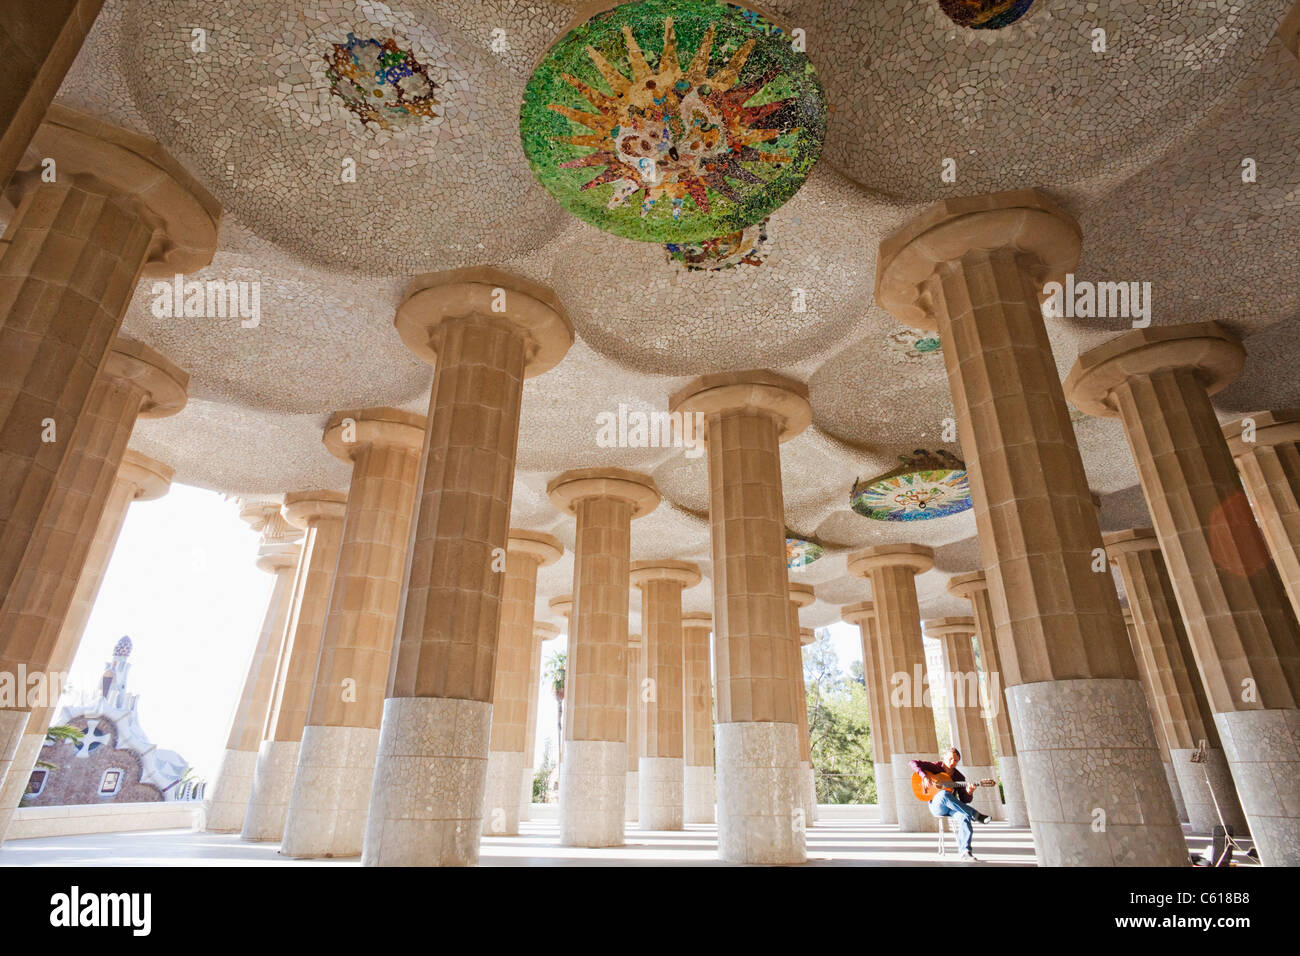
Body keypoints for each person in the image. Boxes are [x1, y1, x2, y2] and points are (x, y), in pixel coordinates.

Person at [910, 747, 990, 863]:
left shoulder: (959, 777)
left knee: (964, 816)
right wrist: (924, 776)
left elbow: (964, 800)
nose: (953, 762)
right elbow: (913, 763)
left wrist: (969, 792)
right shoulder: (936, 767)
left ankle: (965, 852)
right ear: (945, 758)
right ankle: (976, 815)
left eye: (956, 760)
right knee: (943, 794)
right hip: (937, 806)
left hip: (953, 807)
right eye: (950, 759)